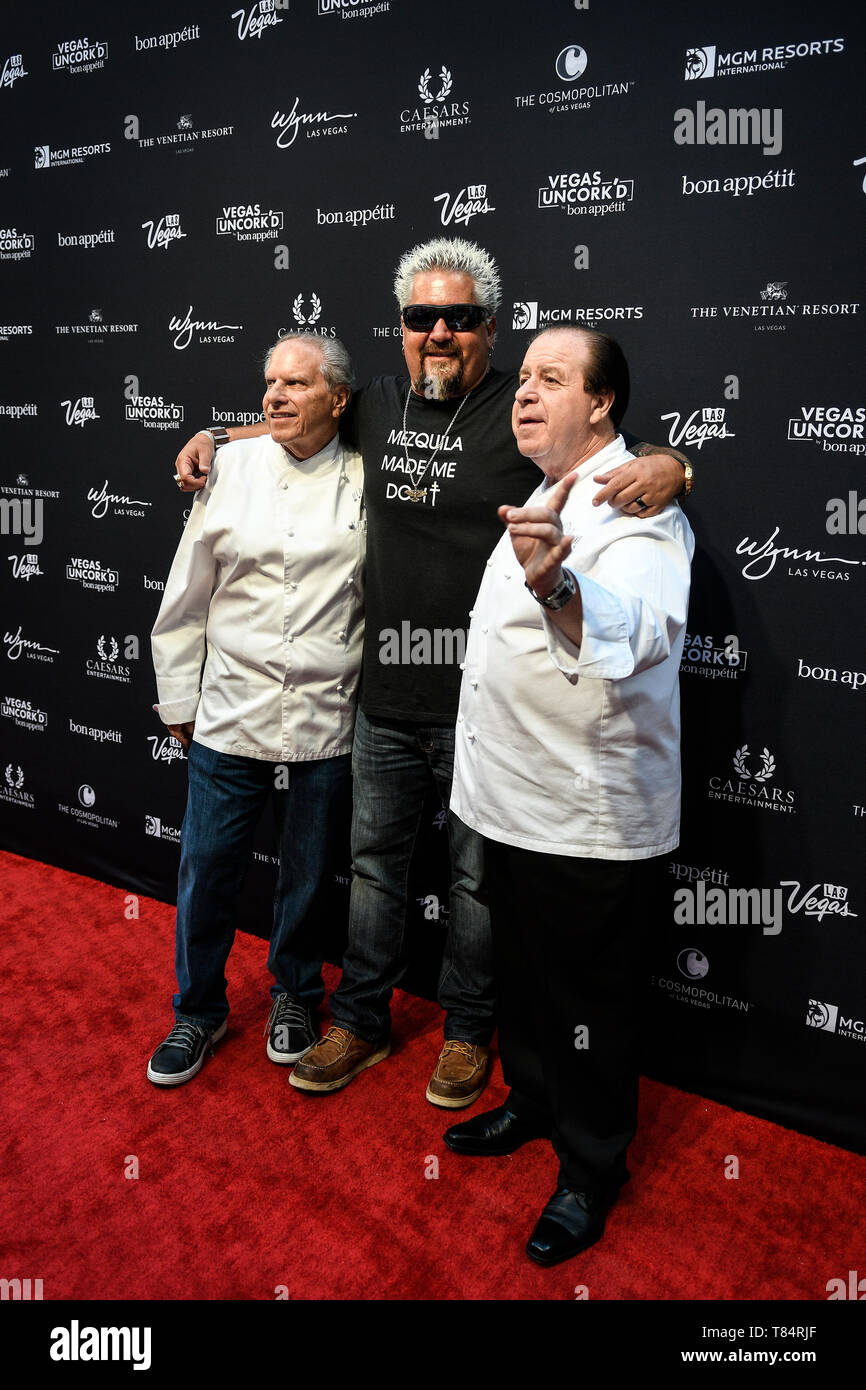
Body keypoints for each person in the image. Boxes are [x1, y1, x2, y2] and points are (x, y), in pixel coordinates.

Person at [172, 238, 691, 1108]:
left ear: (489, 328)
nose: (438, 333)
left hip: (481, 713)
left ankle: (465, 1032)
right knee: (373, 870)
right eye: (420, 319)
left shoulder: (520, 414)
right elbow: (300, 415)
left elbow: (615, 456)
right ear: (402, 330)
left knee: (474, 885)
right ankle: (362, 1019)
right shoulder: (374, 403)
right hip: (380, 700)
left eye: (459, 318)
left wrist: (678, 468)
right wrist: (218, 435)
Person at [445, 326, 694, 1265]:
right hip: (507, 798)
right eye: (526, 377)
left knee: (590, 995)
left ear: (602, 405)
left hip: (588, 814)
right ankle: (536, 1102)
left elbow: (642, 630)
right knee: (526, 973)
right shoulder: (547, 484)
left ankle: (591, 1172)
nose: (527, 391)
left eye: (554, 379)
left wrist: (559, 589)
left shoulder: (642, 504)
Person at [147, 334, 364, 1086]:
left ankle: (298, 996)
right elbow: (186, 596)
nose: (274, 395)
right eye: (269, 381)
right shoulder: (229, 468)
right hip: (231, 711)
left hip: (327, 715)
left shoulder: (368, 475)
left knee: (306, 879)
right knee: (206, 871)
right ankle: (196, 1012)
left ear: (337, 399)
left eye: (296, 384)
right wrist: (179, 695)